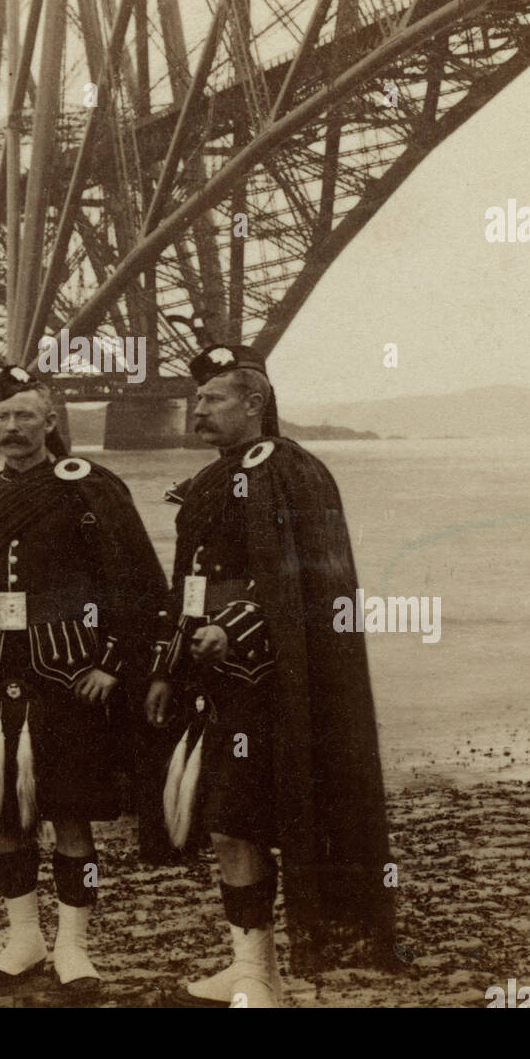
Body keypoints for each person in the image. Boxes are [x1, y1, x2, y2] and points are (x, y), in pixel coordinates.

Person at [144, 343, 394, 1008]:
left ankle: (260, 977)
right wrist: (167, 668)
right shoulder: (206, 482)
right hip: (209, 680)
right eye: (194, 401)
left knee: (246, 820)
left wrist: (239, 629)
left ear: (253, 403)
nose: (197, 410)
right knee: (226, 822)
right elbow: (186, 587)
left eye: (212, 399)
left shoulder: (291, 471)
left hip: (273, 684)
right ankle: (249, 966)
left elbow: (309, 580)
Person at [0, 365, 168, 997]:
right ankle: (23, 939)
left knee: (72, 815)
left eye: (25, 415)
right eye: (1, 417)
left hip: (71, 679)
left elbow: (134, 586)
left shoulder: (91, 490)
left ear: (51, 423)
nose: (11, 428)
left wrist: (114, 663)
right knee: (8, 816)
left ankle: (75, 947)